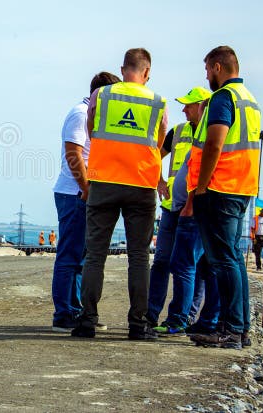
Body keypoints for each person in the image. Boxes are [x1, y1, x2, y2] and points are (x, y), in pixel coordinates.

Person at [71, 48, 167, 341]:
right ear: (147, 72)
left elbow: (91, 126)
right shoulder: (157, 102)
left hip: (105, 181)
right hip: (141, 184)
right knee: (139, 257)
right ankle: (138, 325)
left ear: (123, 69)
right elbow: (161, 138)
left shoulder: (102, 95)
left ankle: (87, 321)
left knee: (95, 255)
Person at [186, 46, 261, 350]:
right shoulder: (251, 101)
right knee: (233, 258)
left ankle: (230, 330)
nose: (206, 77)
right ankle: (239, 328)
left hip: (221, 187)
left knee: (224, 260)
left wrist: (201, 186)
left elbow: (215, 142)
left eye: (206, 70)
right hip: (242, 187)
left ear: (218, 67)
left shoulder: (223, 98)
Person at [51, 71, 120, 332]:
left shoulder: (94, 116)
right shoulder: (81, 114)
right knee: (70, 256)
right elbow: (73, 154)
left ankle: (76, 310)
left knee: (81, 257)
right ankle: (64, 314)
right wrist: (87, 188)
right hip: (75, 193)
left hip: (84, 193)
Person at [146, 87, 210, 332]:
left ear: (201, 106)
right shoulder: (178, 132)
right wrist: (159, 181)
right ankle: (151, 314)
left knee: (193, 264)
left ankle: (185, 317)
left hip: (195, 209)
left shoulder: (212, 132)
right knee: (162, 260)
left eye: (188, 105)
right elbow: (154, 157)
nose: (183, 109)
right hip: (172, 206)